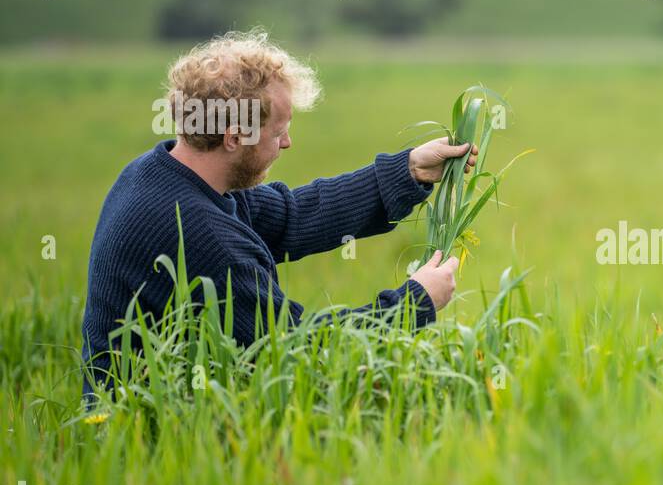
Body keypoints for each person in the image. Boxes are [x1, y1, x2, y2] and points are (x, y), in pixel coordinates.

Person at [81, 29, 468, 398]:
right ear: (235, 137)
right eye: (277, 131)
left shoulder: (163, 174)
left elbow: (292, 215)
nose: (287, 142)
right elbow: (297, 349)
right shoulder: (199, 237)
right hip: (145, 432)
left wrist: (407, 171)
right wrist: (415, 303)